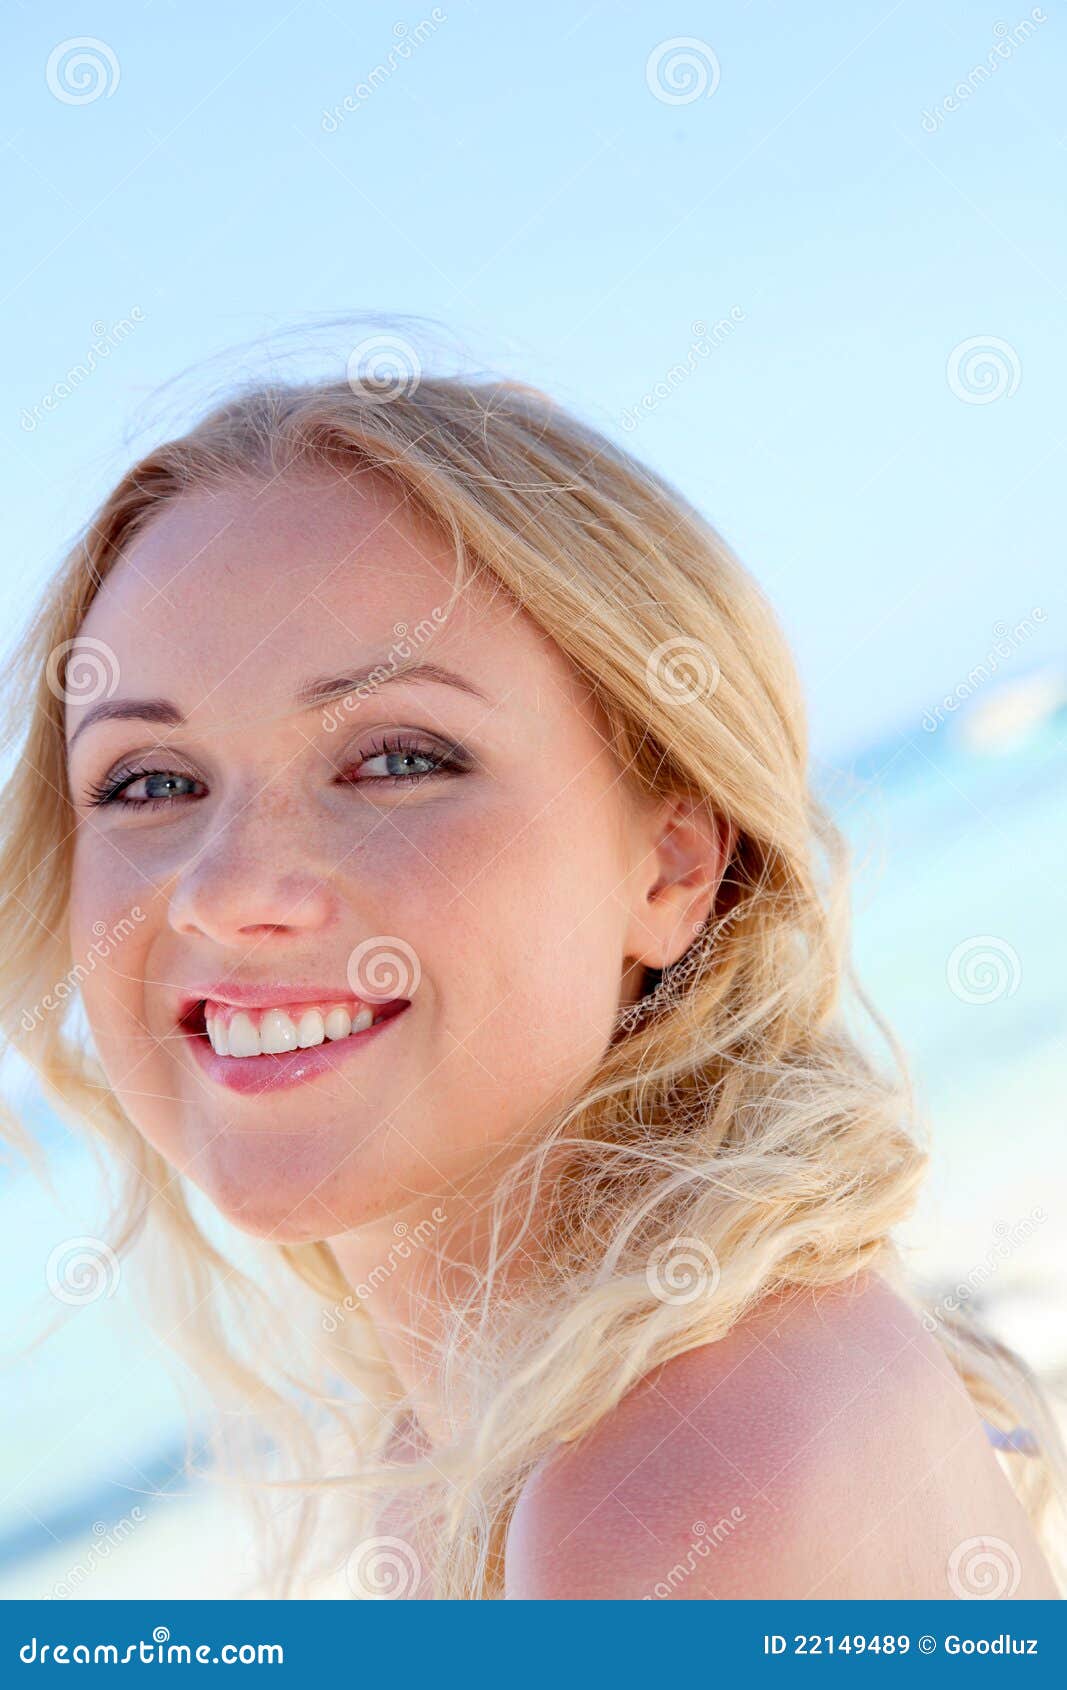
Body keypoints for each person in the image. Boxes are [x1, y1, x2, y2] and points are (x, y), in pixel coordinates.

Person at [1, 371, 1062, 1600]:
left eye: (395, 759)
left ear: (672, 861)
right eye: (146, 781)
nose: (227, 889)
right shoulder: (455, 1445)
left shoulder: (660, 1500)